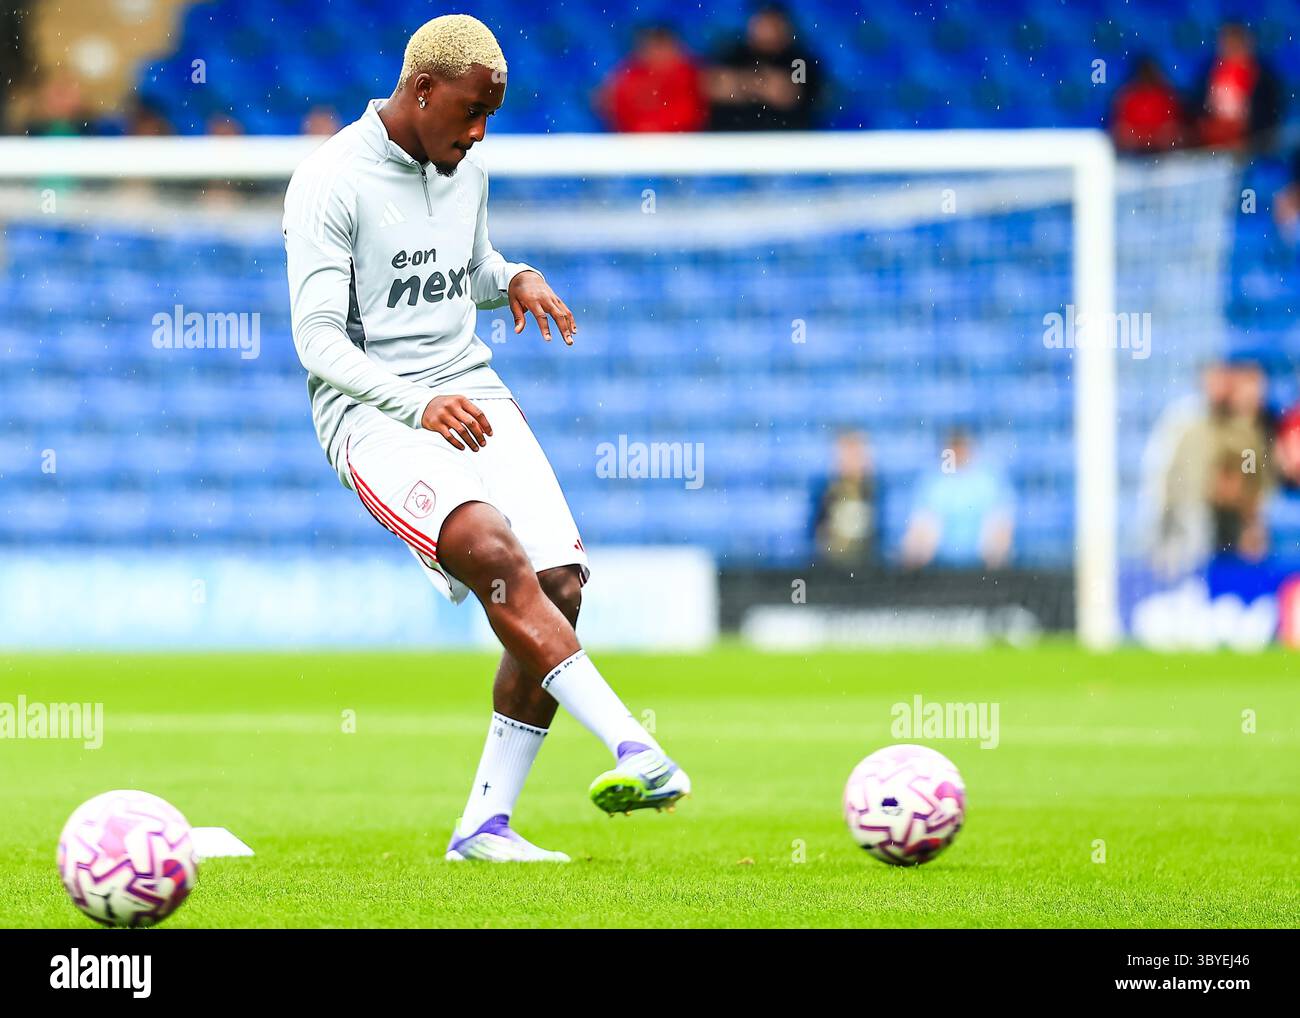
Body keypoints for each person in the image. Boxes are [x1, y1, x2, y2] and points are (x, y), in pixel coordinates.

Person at [282, 15, 690, 863]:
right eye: (470, 113)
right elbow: (318, 341)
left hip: (469, 387)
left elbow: (465, 271)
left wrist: (516, 277)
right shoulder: (329, 183)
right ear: (421, 91)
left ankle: (484, 825)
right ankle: (634, 744)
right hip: (374, 415)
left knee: (561, 584)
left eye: (488, 119)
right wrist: (414, 404)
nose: (477, 134)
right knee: (490, 549)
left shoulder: (465, 166)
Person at [900, 429, 1014, 570]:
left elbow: (1001, 521)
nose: (958, 453)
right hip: (938, 564)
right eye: (953, 448)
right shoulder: (933, 482)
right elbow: (921, 524)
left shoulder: (989, 480)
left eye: (961, 447)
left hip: (982, 564)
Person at [706, 3, 823, 131]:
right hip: (732, 137)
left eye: (772, 25)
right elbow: (715, 87)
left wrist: (741, 83)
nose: (766, 31)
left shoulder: (799, 60)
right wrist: (763, 84)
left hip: (785, 138)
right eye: (761, 24)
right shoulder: (732, 54)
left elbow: (788, 93)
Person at [595, 25, 708, 133]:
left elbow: (688, 115)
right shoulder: (628, 77)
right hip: (635, 145)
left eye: (660, 46)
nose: (656, 53)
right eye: (651, 47)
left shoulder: (692, 76)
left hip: (682, 144)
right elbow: (611, 105)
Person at [1192, 22, 1283, 151]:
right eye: (1228, 42)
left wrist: (1243, 130)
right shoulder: (1209, 72)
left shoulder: (1262, 77)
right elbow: (1198, 107)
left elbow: (1267, 115)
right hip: (1211, 140)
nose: (1232, 48)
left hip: (1248, 141)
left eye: (1236, 42)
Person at [810, 428, 877, 563]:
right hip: (833, 568)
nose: (852, 459)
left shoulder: (874, 491)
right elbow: (816, 535)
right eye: (847, 452)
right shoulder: (825, 492)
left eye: (856, 453)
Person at [1109, 55, 1185, 153]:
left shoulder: (1166, 95)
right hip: (1133, 152)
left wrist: (1156, 137)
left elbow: (1173, 127)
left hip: (1162, 152)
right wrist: (1140, 138)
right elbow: (1121, 129)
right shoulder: (1127, 97)